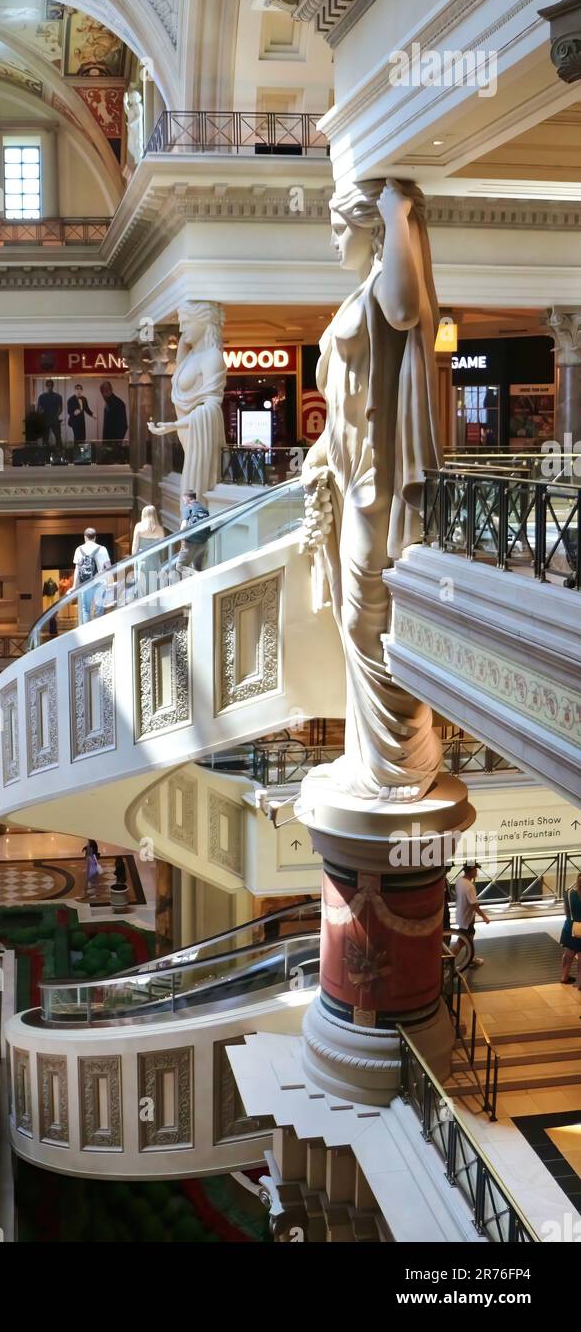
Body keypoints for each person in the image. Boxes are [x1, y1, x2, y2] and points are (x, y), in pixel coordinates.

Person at [300, 178, 443, 802]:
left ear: (369, 227)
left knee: (368, 619)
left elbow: (410, 310)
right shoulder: (361, 288)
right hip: (349, 469)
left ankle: (397, 759)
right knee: (356, 619)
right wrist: (317, 453)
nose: (334, 242)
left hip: (376, 481)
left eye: (340, 229)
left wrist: (397, 211)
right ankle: (369, 754)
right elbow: (337, 408)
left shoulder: (387, 278)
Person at [148, 302, 227, 498]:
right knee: (188, 490)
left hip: (200, 436)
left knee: (192, 492)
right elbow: (183, 343)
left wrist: (174, 425)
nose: (182, 328)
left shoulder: (212, 357)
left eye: (187, 322)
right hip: (189, 437)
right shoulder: (191, 355)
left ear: (203, 322)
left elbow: (211, 408)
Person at [72, 527, 111, 625]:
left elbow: (77, 569)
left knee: (85, 609)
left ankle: (87, 635)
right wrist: (110, 582)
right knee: (99, 609)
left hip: (86, 583)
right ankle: (99, 633)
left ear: (85, 537)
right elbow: (109, 567)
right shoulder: (102, 549)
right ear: (95, 537)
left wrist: (74, 586)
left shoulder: (79, 550)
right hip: (100, 582)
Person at [455, 862, 490, 969]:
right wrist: (484, 916)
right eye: (475, 870)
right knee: (461, 942)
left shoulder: (459, 881)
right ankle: (447, 961)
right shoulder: (469, 886)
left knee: (469, 937)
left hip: (462, 915)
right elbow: (474, 904)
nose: (477, 872)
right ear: (470, 871)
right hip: (466, 918)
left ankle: (470, 958)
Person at [175, 490, 211, 578]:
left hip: (190, 543)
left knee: (180, 566)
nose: (184, 502)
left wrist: (182, 540)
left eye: (184, 500)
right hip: (203, 542)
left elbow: (183, 526)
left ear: (188, 498)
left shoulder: (188, 508)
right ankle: (200, 581)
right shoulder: (204, 509)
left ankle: (198, 576)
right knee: (198, 567)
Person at [131, 504, 166, 596]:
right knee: (154, 582)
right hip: (154, 558)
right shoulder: (159, 529)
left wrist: (133, 559)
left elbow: (135, 544)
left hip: (141, 558)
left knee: (141, 581)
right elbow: (163, 545)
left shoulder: (139, 526)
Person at [560, 870, 581, 987]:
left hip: (569, 926)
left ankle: (564, 976)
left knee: (568, 952)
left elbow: (567, 912)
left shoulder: (568, 893)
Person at [37, 378, 64, 449]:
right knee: (45, 439)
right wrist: (41, 415)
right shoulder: (42, 397)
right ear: (46, 386)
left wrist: (55, 415)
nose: (49, 387)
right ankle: (46, 456)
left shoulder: (58, 396)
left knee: (58, 438)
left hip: (53, 419)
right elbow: (39, 409)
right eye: (48, 385)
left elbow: (60, 409)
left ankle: (59, 453)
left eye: (50, 385)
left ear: (53, 386)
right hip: (46, 419)